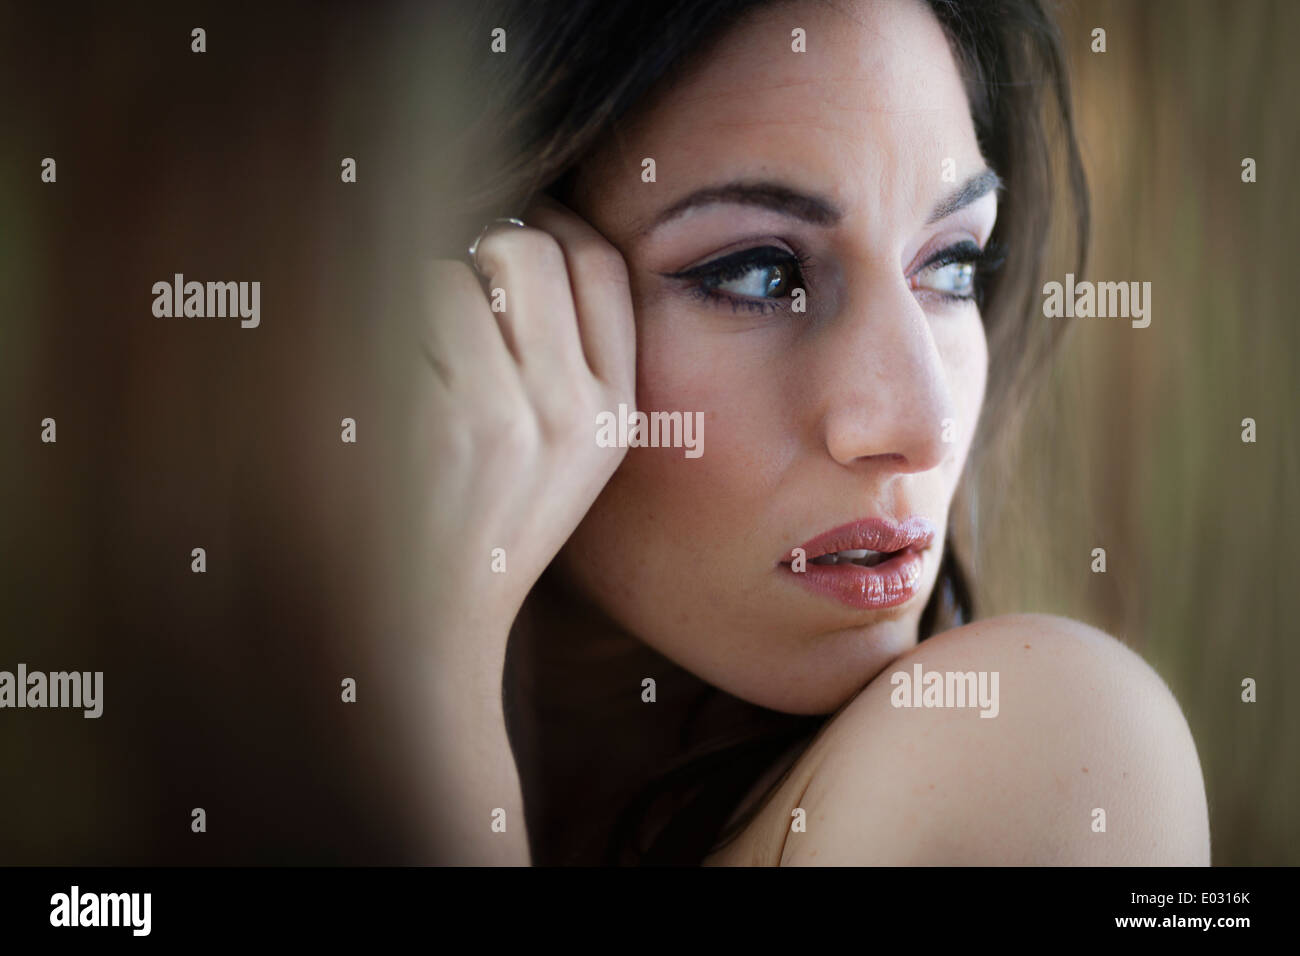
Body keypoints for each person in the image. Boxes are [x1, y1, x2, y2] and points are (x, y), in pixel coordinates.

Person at [417, 0, 1211, 865]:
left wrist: (423, 682)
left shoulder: (1053, 749)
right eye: (760, 274)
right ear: (476, 295)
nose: (923, 426)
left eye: (951, 264)